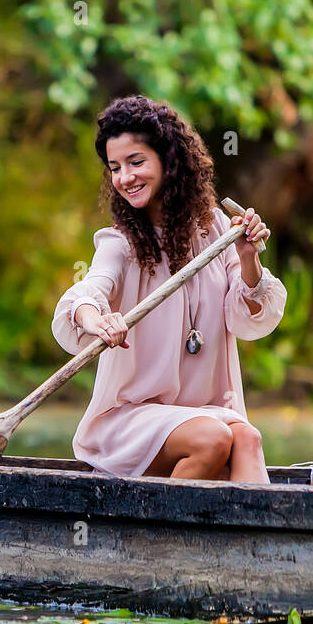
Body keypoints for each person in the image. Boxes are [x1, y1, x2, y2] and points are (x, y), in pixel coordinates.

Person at [52, 95, 286, 482]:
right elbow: (83, 296)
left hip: (203, 414)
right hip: (128, 422)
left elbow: (248, 320)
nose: (125, 177)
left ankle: (252, 543)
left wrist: (248, 256)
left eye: (136, 162)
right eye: (115, 167)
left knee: (246, 437)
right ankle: (152, 541)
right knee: (212, 438)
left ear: (168, 161)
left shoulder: (215, 230)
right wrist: (98, 321)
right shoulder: (121, 243)